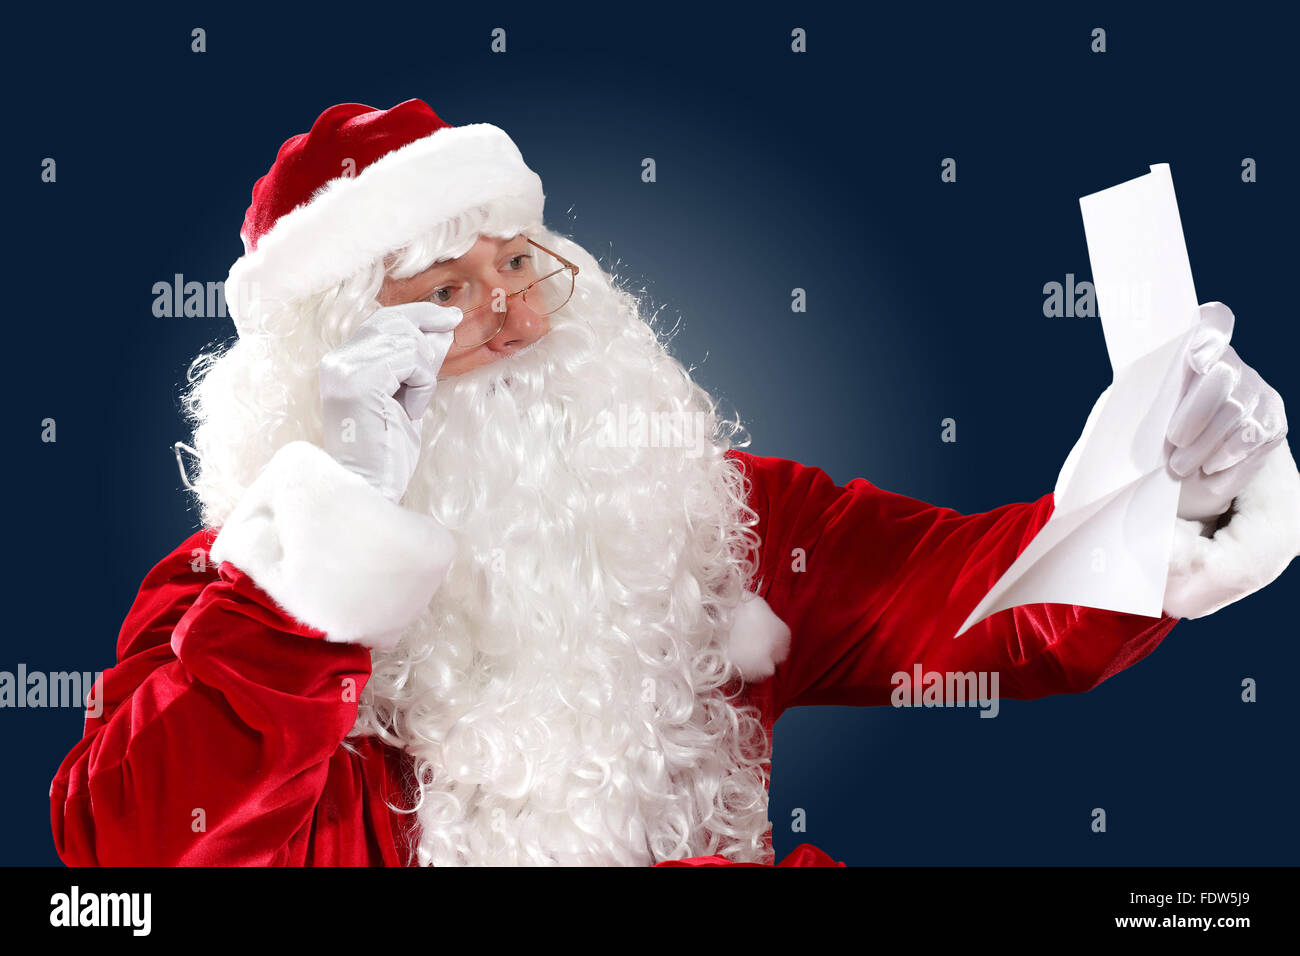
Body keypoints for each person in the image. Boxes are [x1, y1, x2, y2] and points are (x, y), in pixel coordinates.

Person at [50, 99, 1300, 867]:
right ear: (331, 366)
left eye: (517, 262)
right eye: (439, 293)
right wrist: (328, 549)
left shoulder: (715, 518)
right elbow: (144, 853)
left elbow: (978, 605)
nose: (509, 311)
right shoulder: (234, 604)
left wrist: (1169, 496)